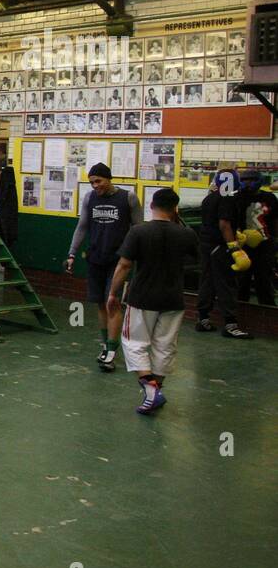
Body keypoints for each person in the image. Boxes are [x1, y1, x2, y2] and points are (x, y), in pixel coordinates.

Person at [106, 188, 200, 415]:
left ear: (151, 205)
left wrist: (112, 293)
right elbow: (197, 262)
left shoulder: (139, 231)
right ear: (175, 208)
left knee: (134, 343)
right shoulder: (187, 234)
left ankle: (150, 390)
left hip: (142, 298)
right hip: (173, 298)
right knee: (165, 346)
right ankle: (155, 391)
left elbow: (124, 265)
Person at [66, 164, 142, 371]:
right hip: (95, 258)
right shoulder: (90, 198)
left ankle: (111, 350)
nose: (95, 185)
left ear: (109, 179)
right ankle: (105, 344)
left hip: (119, 262)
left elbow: (138, 230)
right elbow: (82, 226)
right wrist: (72, 253)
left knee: (113, 302)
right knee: (100, 303)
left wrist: (133, 257)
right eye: (92, 182)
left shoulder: (129, 198)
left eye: (98, 181)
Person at [195, 169, 254, 339]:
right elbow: (224, 224)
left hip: (206, 245)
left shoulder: (209, 197)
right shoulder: (228, 198)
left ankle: (203, 319)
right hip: (220, 246)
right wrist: (233, 246)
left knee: (207, 281)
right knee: (226, 283)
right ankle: (230, 325)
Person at [238, 169, 276, 305]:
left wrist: (273, 239)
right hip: (244, 246)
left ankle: (268, 312)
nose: (248, 183)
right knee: (242, 281)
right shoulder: (237, 197)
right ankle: (240, 312)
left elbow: (275, 220)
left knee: (264, 280)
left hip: (265, 245)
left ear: (259, 181)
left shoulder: (270, 198)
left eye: (251, 180)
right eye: (244, 180)